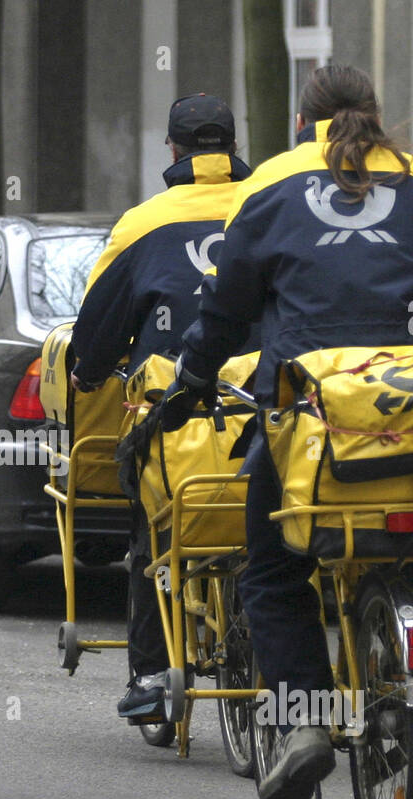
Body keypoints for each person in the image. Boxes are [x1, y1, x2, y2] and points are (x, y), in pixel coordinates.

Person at [168, 65, 413, 799]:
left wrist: (193, 378)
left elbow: (227, 307)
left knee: (273, 568)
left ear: (304, 121)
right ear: (373, 112)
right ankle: (400, 670)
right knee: (403, 524)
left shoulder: (268, 184)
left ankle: (302, 720)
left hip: (307, 410)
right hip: (408, 406)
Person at [68, 93, 251, 722]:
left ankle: (150, 676)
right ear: (233, 146)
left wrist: (90, 370)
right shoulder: (269, 210)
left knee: (153, 525)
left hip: (178, 416)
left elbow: (94, 335)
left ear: (172, 151)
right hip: (264, 414)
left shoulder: (143, 225)